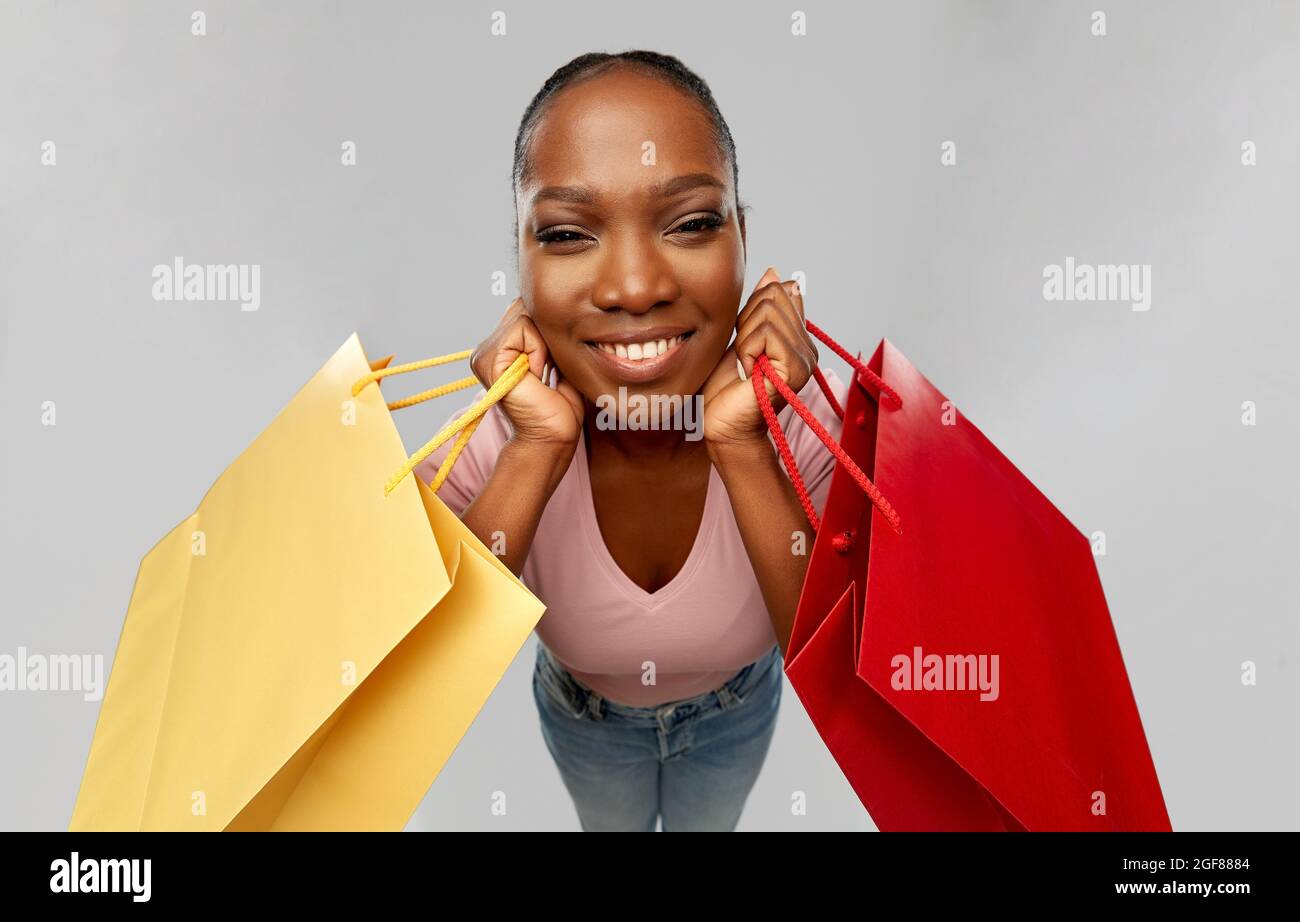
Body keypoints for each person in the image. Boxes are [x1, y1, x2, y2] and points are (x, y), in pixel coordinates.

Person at [415, 50, 847, 831]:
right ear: (519, 259)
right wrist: (536, 451)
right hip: (585, 718)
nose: (635, 286)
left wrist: (743, 445)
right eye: (569, 233)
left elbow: (841, 672)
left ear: (743, 241)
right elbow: (418, 677)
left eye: (690, 223)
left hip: (736, 708)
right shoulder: (498, 433)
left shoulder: (799, 416)